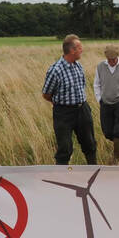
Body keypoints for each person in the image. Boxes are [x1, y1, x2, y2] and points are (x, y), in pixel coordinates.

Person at [42, 34, 97, 165]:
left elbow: (82, 87)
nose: (82, 50)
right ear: (72, 50)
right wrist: (61, 104)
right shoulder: (55, 70)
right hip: (63, 113)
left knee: (89, 143)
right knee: (65, 148)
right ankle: (61, 176)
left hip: (82, 109)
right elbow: (46, 94)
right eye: (79, 47)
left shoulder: (78, 66)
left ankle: (94, 169)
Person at [94, 44, 119, 163]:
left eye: (113, 59)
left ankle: (116, 159)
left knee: (118, 131)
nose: (111, 61)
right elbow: (96, 84)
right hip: (105, 104)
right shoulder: (100, 66)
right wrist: (99, 99)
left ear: (117, 56)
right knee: (107, 132)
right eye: (109, 59)